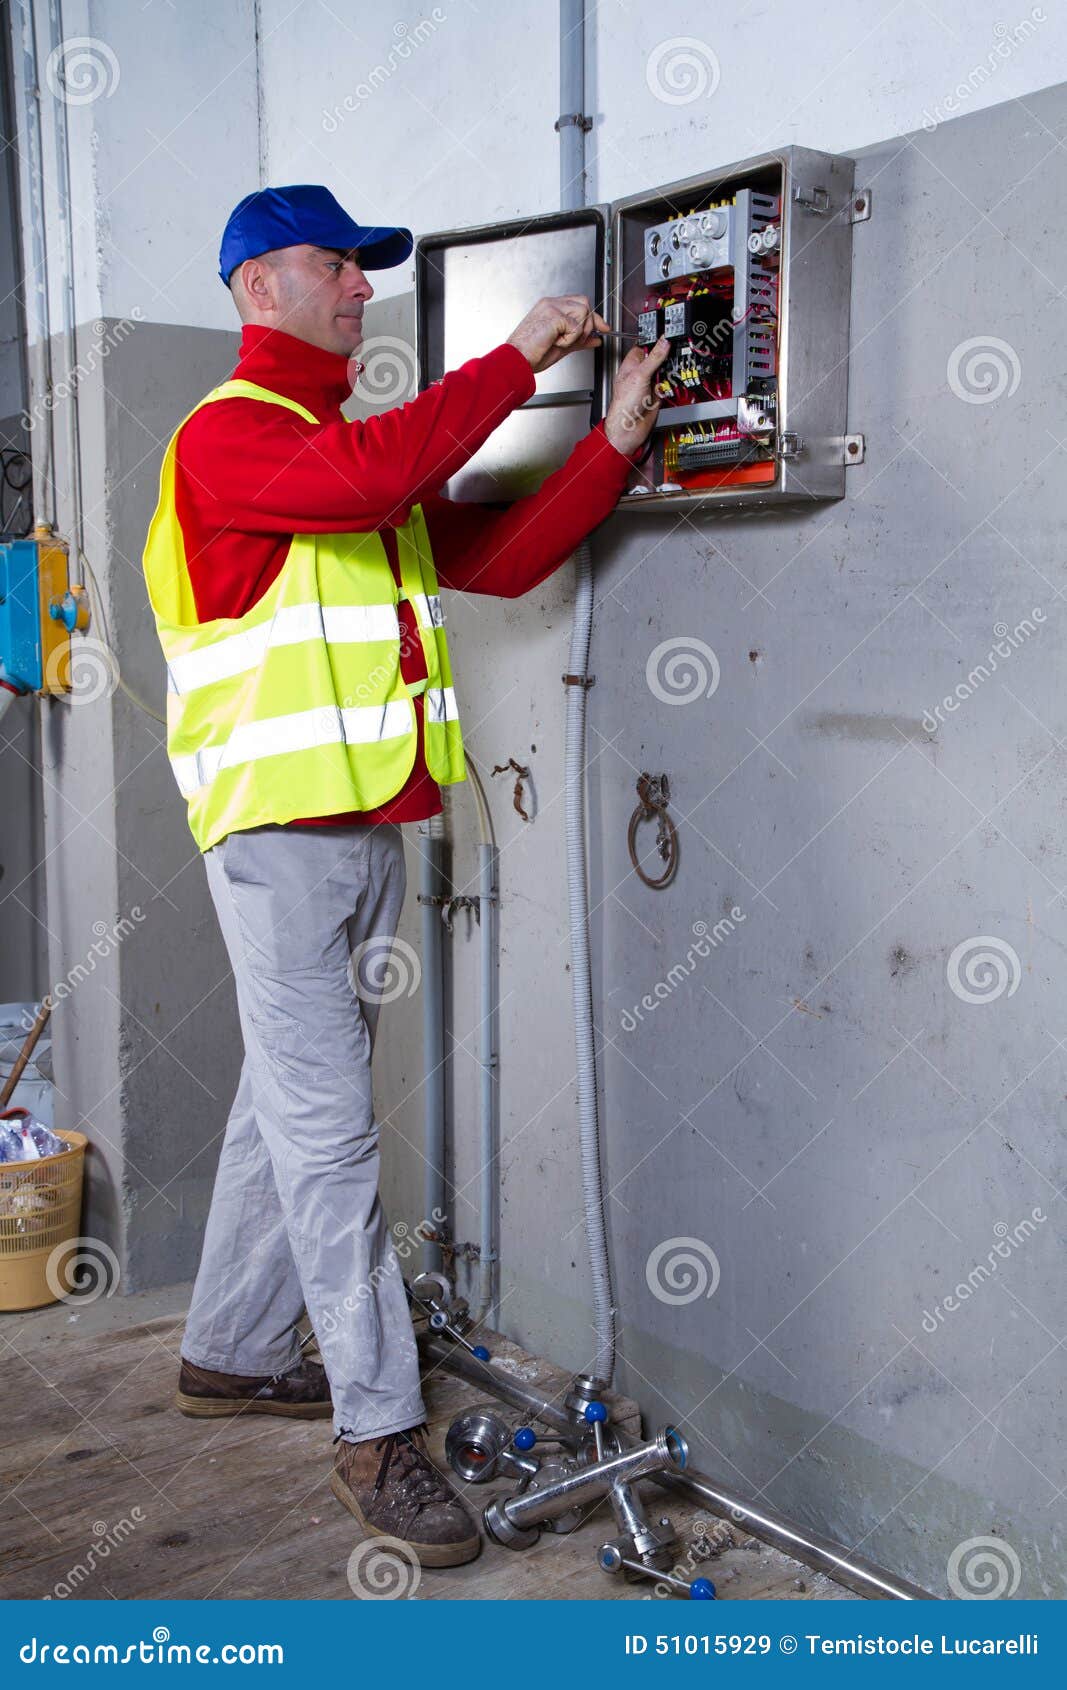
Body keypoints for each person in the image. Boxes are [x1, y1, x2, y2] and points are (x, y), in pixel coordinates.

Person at [141, 183, 669, 1568]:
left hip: (360, 830)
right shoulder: (231, 441)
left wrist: (606, 448)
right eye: (341, 267)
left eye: (370, 270)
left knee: (287, 1104)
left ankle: (234, 1348)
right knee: (329, 1138)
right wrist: (517, 360)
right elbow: (381, 478)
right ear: (262, 288)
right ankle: (376, 1433)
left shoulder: (335, 450)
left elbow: (486, 558)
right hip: (278, 837)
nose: (363, 289)